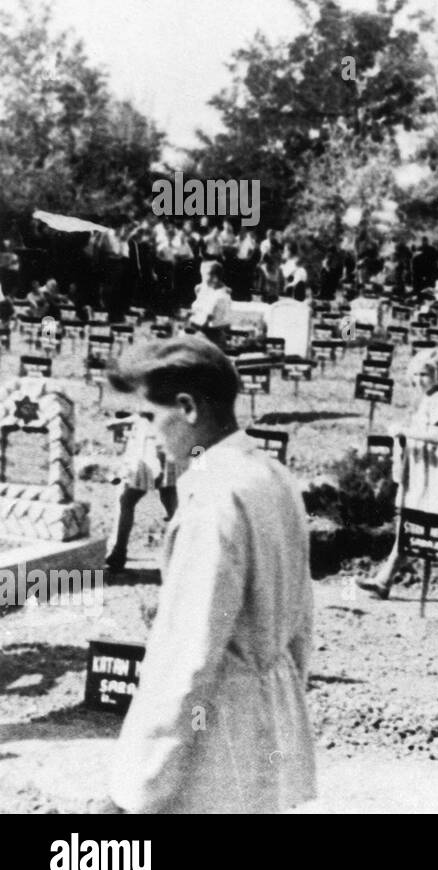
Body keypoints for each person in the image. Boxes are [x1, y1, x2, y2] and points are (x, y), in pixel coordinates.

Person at [103, 336, 315, 813]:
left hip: (214, 737)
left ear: (187, 408)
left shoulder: (213, 498)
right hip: (269, 723)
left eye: (149, 417)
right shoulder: (273, 476)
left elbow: (188, 654)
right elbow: (302, 624)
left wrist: (134, 789)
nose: (145, 432)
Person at [357, 350, 438, 608]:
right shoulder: (425, 400)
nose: (421, 379)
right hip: (423, 470)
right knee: (412, 525)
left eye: (426, 374)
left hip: (434, 473)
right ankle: (384, 581)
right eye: (417, 374)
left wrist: (405, 431)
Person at [104, 411, 178, 573]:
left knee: (128, 500)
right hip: (154, 450)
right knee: (171, 505)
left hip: (157, 453)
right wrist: (125, 421)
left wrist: (197, 469)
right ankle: (119, 552)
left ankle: (119, 553)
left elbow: (197, 444)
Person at [188, 260, 232, 349]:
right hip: (201, 332)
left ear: (215, 277)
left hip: (211, 337)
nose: (202, 278)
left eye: (205, 275)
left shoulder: (220, 297)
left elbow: (205, 321)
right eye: (202, 274)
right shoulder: (205, 290)